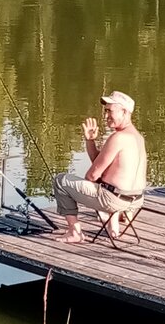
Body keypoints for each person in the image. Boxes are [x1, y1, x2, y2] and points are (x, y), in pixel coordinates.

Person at [53, 91, 147, 243]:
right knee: (107, 184)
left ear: (124, 112)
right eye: (105, 111)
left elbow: (92, 175)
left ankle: (74, 231)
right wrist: (90, 141)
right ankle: (113, 223)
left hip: (115, 200)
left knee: (61, 181)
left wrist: (86, 188)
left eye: (110, 111)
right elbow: (104, 166)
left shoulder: (118, 138)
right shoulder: (138, 137)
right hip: (136, 200)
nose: (105, 116)